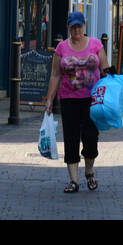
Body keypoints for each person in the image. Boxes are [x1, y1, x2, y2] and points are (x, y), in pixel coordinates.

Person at [44, 11, 111, 192]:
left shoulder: (96, 45)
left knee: (90, 138)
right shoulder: (61, 48)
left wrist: (115, 90)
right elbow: (55, 75)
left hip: (92, 99)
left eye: (79, 26)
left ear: (84, 26)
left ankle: (89, 171)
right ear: (68, 27)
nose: (76, 30)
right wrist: (49, 99)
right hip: (69, 99)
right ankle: (74, 181)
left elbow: (105, 71)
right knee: (71, 138)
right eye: (73, 26)